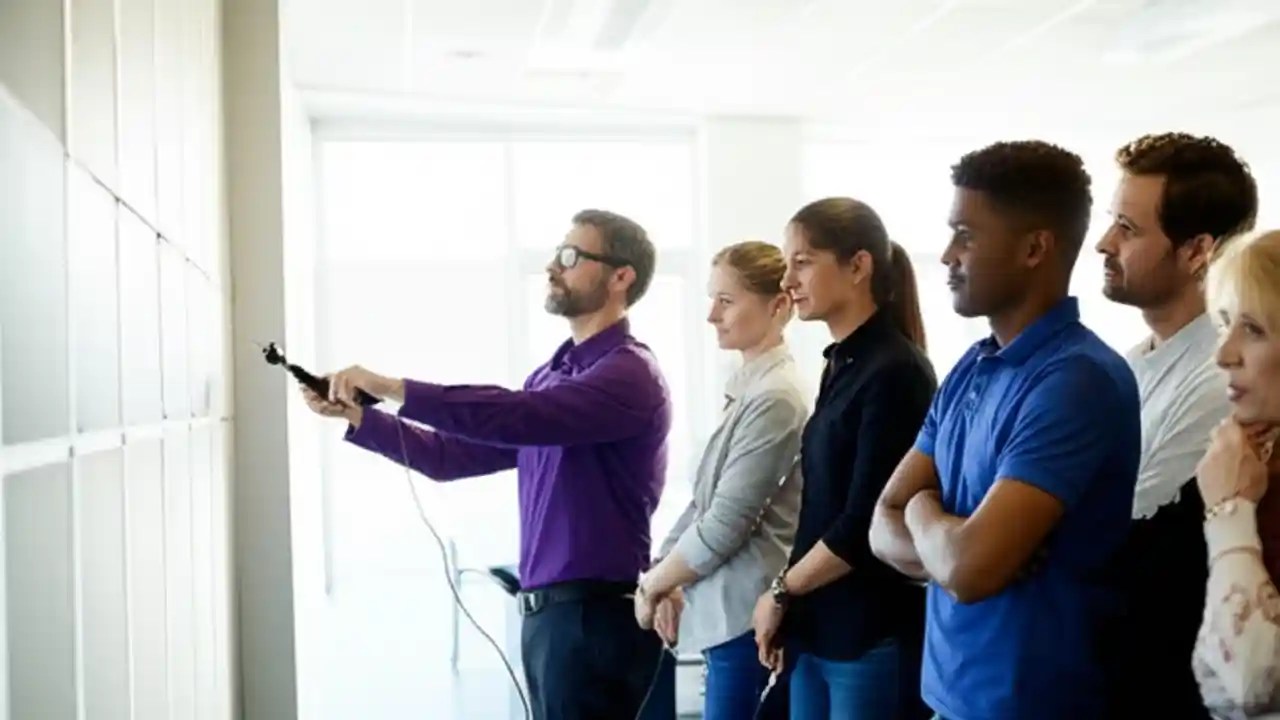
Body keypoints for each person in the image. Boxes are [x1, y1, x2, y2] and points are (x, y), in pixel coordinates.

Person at [300, 209, 673, 720]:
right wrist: (362, 418)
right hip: (549, 619)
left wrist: (395, 387)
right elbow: (452, 456)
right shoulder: (553, 374)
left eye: (570, 256)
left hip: (593, 619)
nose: (551, 267)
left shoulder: (629, 374)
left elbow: (514, 415)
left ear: (620, 277)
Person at [869, 140, 1141, 720]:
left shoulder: (1076, 381)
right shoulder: (971, 365)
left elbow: (968, 571)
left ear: (1034, 248)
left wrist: (921, 512)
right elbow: (878, 526)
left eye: (966, 235)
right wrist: (946, 542)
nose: (946, 255)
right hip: (948, 698)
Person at [751, 197, 936, 720]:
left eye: (802, 262)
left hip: (868, 631)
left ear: (858, 266)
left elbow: (863, 523)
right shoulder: (843, 363)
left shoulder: (895, 371)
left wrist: (781, 592)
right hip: (821, 627)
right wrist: (792, 608)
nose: (787, 279)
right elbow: (820, 508)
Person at [1094, 132, 1258, 717]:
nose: (1103, 243)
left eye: (1128, 230)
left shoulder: (1223, 379)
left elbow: (1113, 531)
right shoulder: (1132, 363)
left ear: (1196, 252)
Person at [634, 240, 808, 720]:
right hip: (720, 612)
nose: (712, 314)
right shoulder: (748, 386)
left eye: (726, 301)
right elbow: (703, 503)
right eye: (712, 298)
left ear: (778, 306)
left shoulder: (778, 396)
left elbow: (728, 522)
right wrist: (662, 571)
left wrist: (655, 586)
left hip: (744, 616)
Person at [1193, 230, 1280, 718]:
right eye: (1225, 323)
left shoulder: (1235, 480)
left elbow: (1252, 682)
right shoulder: (1250, 458)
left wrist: (1229, 512)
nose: (1223, 354)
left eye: (1253, 328)